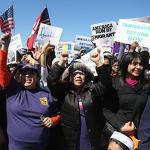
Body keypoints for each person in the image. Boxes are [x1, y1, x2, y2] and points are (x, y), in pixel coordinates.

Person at [0, 33, 61, 150]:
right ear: (20, 76)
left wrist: (53, 120)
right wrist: (5, 46)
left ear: (37, 77)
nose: (27, 76)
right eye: (24, 73)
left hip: (42, 147)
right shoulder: (13, 89)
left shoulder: (46, 94)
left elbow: (57, 114)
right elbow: (1, 70)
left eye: (31, 73)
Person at [47, 50, 107, 150]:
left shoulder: (93, 89)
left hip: (91, 140)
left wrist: (98, 63)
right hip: (69, 141)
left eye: (81, 73)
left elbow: (106, 83)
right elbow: (51, 81)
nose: (78, 76)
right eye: (74, 73)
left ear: (86, 76)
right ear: (70, 77)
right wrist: (61, 62)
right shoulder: (63, 92)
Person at [93, 50, 150, 149]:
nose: (138, 67)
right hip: (115, 135)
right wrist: (121, 126)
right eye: (134, 64)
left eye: (140, 64)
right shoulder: (115, 84)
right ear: (126, 64)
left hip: (137, 137)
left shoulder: (146, 86)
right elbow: (106, 110)